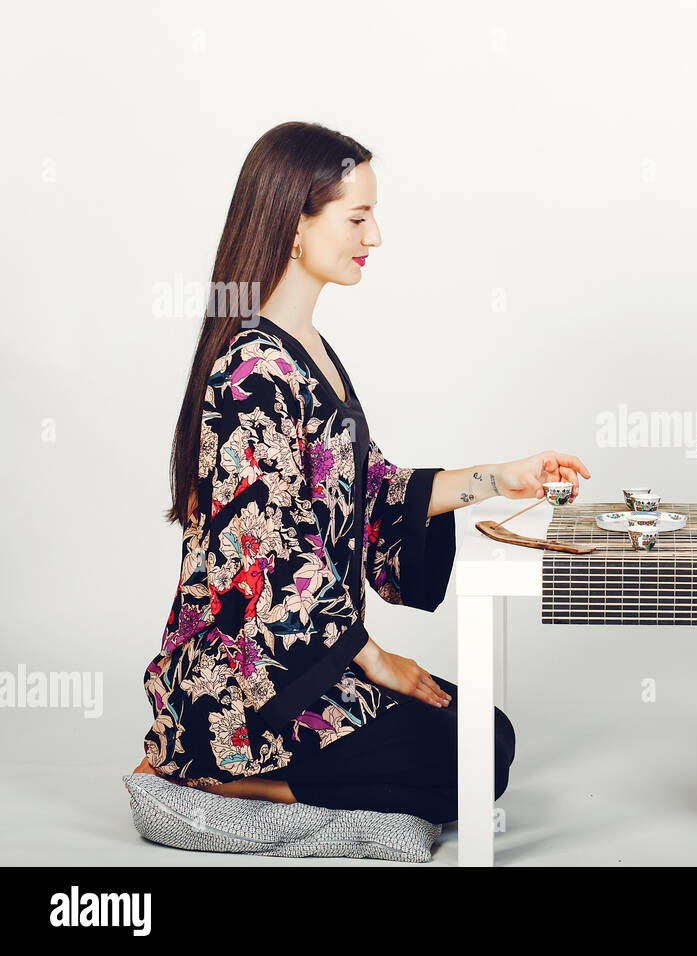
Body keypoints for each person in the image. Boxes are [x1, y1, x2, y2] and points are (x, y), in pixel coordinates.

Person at [131, 122, 590, 827]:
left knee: (488, 736)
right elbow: (274, 553)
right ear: (294, 224)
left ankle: (246, 772)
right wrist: (374, 660)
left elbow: (372, 490)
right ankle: (209, 773)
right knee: (469, 762)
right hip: (250, 683)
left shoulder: (308, 348)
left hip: (314, 653)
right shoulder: (254, 371)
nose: (373, 237)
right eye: (357, 217)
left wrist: (503, 478)